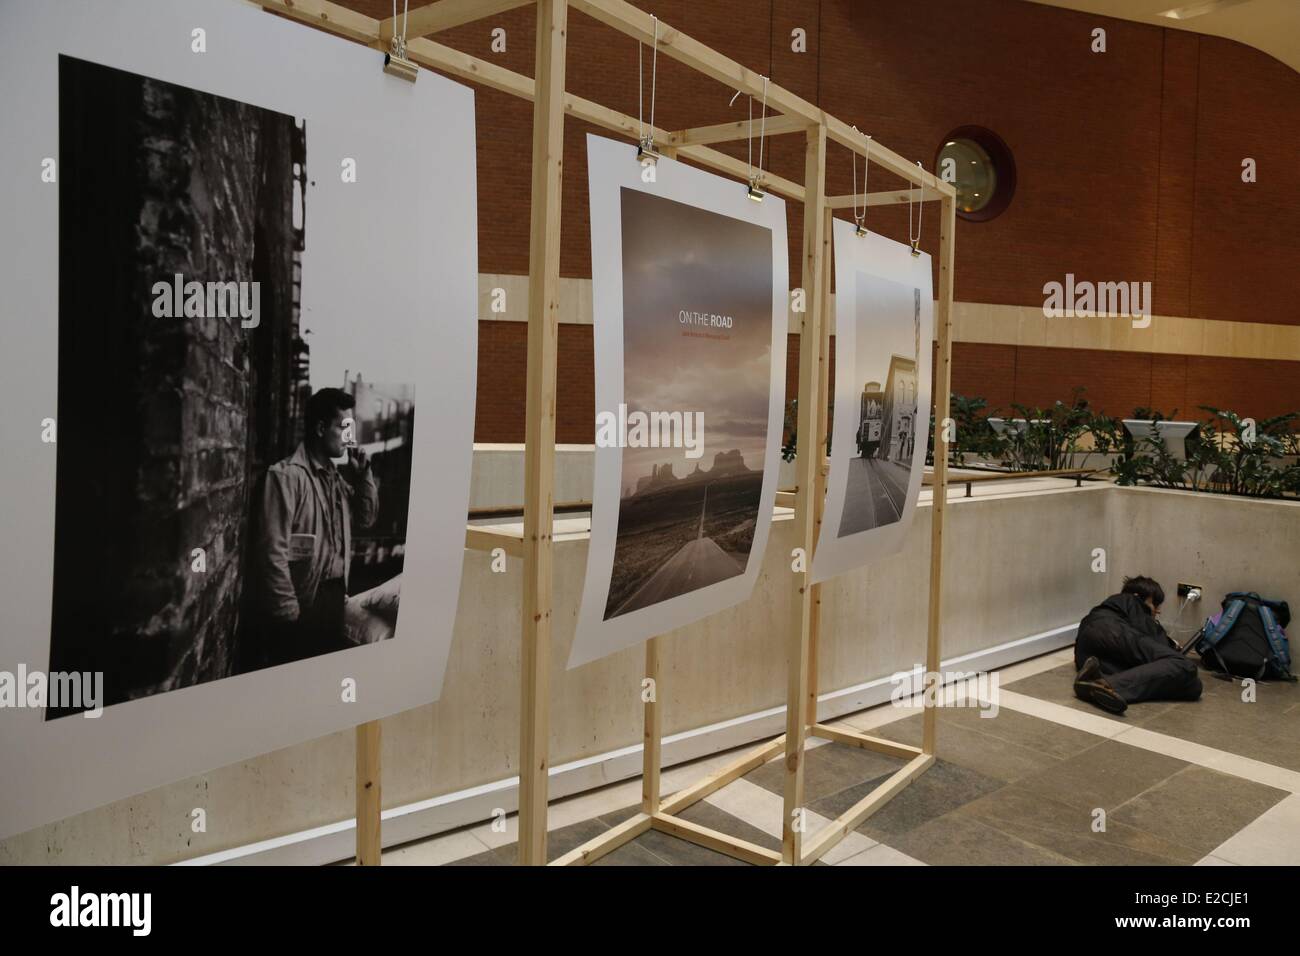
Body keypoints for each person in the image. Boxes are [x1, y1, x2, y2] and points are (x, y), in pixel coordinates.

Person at [256, 387, 378, 664]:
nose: (349, 438)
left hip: (335, 600)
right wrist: (288, 616)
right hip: (302, 606)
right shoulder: (286, 477)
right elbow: (271, 553)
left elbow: (365, 519)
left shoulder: (335, 480)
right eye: (342, 428)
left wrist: (364, 478)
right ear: (321, 428)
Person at [1072, 575, 1201, 715]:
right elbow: (1159, 643)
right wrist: (1171, 646)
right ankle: (1104, 684)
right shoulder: (1131, 600)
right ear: (1138, 596)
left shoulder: (1111, 607)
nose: (1157, 611)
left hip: (1088, 652)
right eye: (1155, 604)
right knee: (1185, 666)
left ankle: (1098, 683)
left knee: (1193, 686)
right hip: (1111, 631)